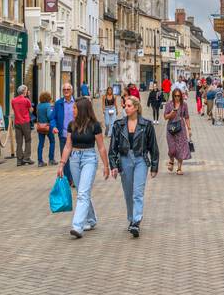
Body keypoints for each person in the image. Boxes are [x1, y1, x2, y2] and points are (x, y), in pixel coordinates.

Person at [108, 94, 159, 237]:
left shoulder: (146, 124)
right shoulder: (118, 125)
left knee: (138, 192)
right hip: (124, 159)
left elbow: (153, 147)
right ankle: (131, 219)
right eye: (125, 105)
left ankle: (136, 221)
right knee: (128, 193)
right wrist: (113, 165)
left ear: (136, 107)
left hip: (140, 159)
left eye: (129, 106)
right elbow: (113, 148)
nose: (126, 108)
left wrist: (154, 166)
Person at [59, 96, 105, 239]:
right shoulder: (71, 125)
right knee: (81, 192)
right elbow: (68, 146)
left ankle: (77, 226)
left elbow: (101, 147)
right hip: (74, 159)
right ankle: (91, 220)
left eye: (75, 108)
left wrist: (106, 165)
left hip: (89, 158)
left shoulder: (95, 125)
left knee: (82, 193)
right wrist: (61, 164)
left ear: (82, 110)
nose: (72, 110)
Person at [49, 82, 77, 180]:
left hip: (76, 135)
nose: (66, 91)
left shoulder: (77, 102)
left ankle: (75, 178)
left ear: (72, 91)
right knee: (65, 159)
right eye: (64, 90)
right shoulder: (58, 103)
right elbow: (52, 118)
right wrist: (54, 127)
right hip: (63, 135)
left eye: (68, 89)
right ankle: (68, 179)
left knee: (75, 158)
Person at [163, 86, 192, 174]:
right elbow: (165, 117)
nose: (177, 97)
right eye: (175, 96)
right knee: (172, 149)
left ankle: (179, 168)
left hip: (181, 128)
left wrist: (189, 129)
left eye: (179, 96)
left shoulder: (184, 105)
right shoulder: (169, 104)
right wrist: (171, 114)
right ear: (173, 96)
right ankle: (171, 161)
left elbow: (186, 117)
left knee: (181, 148)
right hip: (171, 128)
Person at [11, 84, 33, 166]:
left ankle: (19, 160)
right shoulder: (26, 100)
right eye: (26, 90)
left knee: (19, 142)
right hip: (25, 122)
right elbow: (31, 110)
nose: (27, 91)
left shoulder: (13, 100)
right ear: (24, 91)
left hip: (17, 122)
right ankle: (26, 157)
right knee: (28, 140)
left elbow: (14, 109)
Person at [35, 91, 56, 166]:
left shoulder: (38, 105)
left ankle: (40, 161)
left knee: (41, 143)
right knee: (52, 142)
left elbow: (37, 115)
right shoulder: (48, 105)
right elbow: (49, 116)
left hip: (40, 126)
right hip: (48, 126)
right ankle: (51, 159)